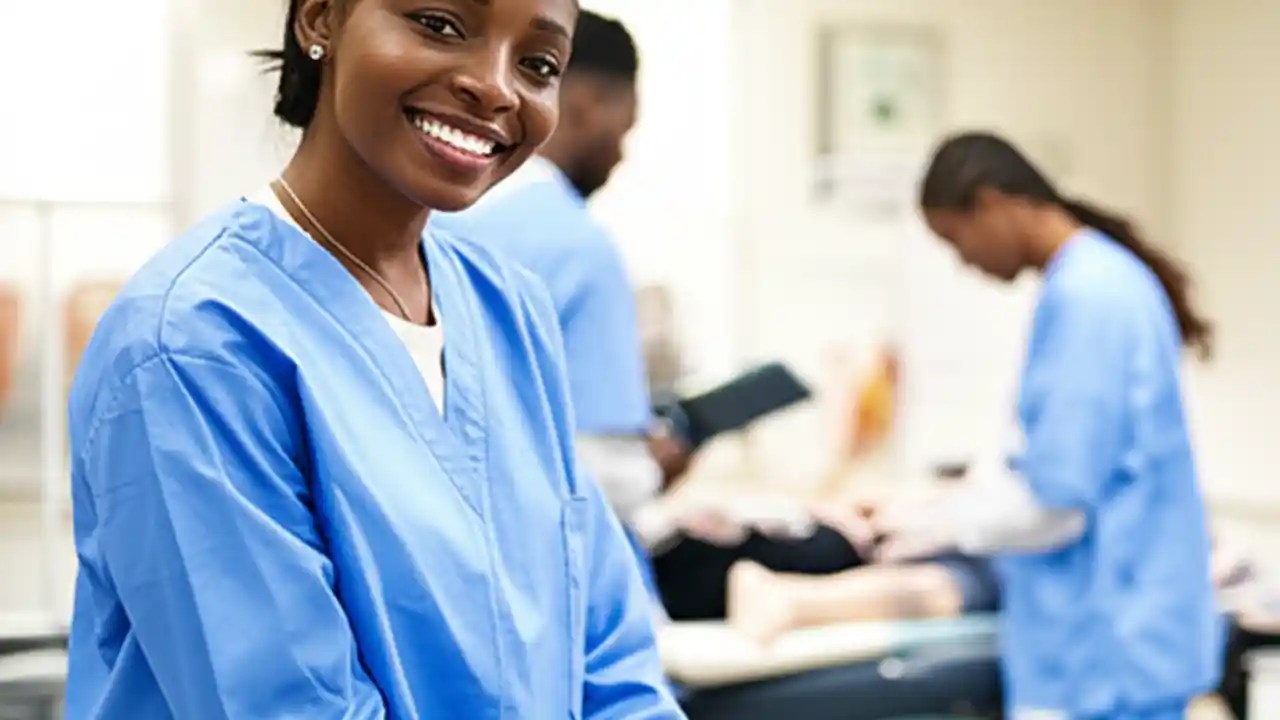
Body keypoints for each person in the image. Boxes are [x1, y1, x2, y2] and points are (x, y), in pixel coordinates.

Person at [63, 0, 683, 717]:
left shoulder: (510, 309)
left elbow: (608, 651)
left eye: (537, 64)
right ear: (320, 18)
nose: (496, 87)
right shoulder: (194, 344)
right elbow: (288, 703)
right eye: (439, 24)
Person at [866, 131, 1221, 719]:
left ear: (993, 204)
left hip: (1105, 648)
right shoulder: (1097, 282)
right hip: (1119, 640)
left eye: (958, 241)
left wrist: (931, 520)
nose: (965, 264)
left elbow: (1056, 502)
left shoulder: (1090, 297)